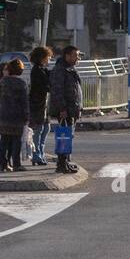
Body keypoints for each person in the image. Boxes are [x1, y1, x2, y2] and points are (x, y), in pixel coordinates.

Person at [48, 44, 84, 174]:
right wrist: (62, 109)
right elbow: (57, 91)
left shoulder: (70, 69)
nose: (77, 57)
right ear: (67, 56)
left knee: (68, 136)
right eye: (75, 55)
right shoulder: (60, 70)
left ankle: (66, 162)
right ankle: (61, 164)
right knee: (64, 137)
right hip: (65, 110)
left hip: (72, 109)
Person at [0, 59, 29, 171]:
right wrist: (27, 116)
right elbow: (25, 101)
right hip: (17, 116)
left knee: (4, 140)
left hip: (4, 114)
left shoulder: (3, 81)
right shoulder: (22, 83)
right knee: (16, 141)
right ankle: (17, 164)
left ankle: (3, 164)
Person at [27, 45, 53, 166]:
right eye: (48, 57)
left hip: (44, 106)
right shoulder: (37, 71)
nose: (49, 60)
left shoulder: (42, 69)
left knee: (45, 129)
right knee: (38, 130)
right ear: (42, 58)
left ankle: (40, 154)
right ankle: (36, 155)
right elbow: (44, 86)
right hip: (38, 106)